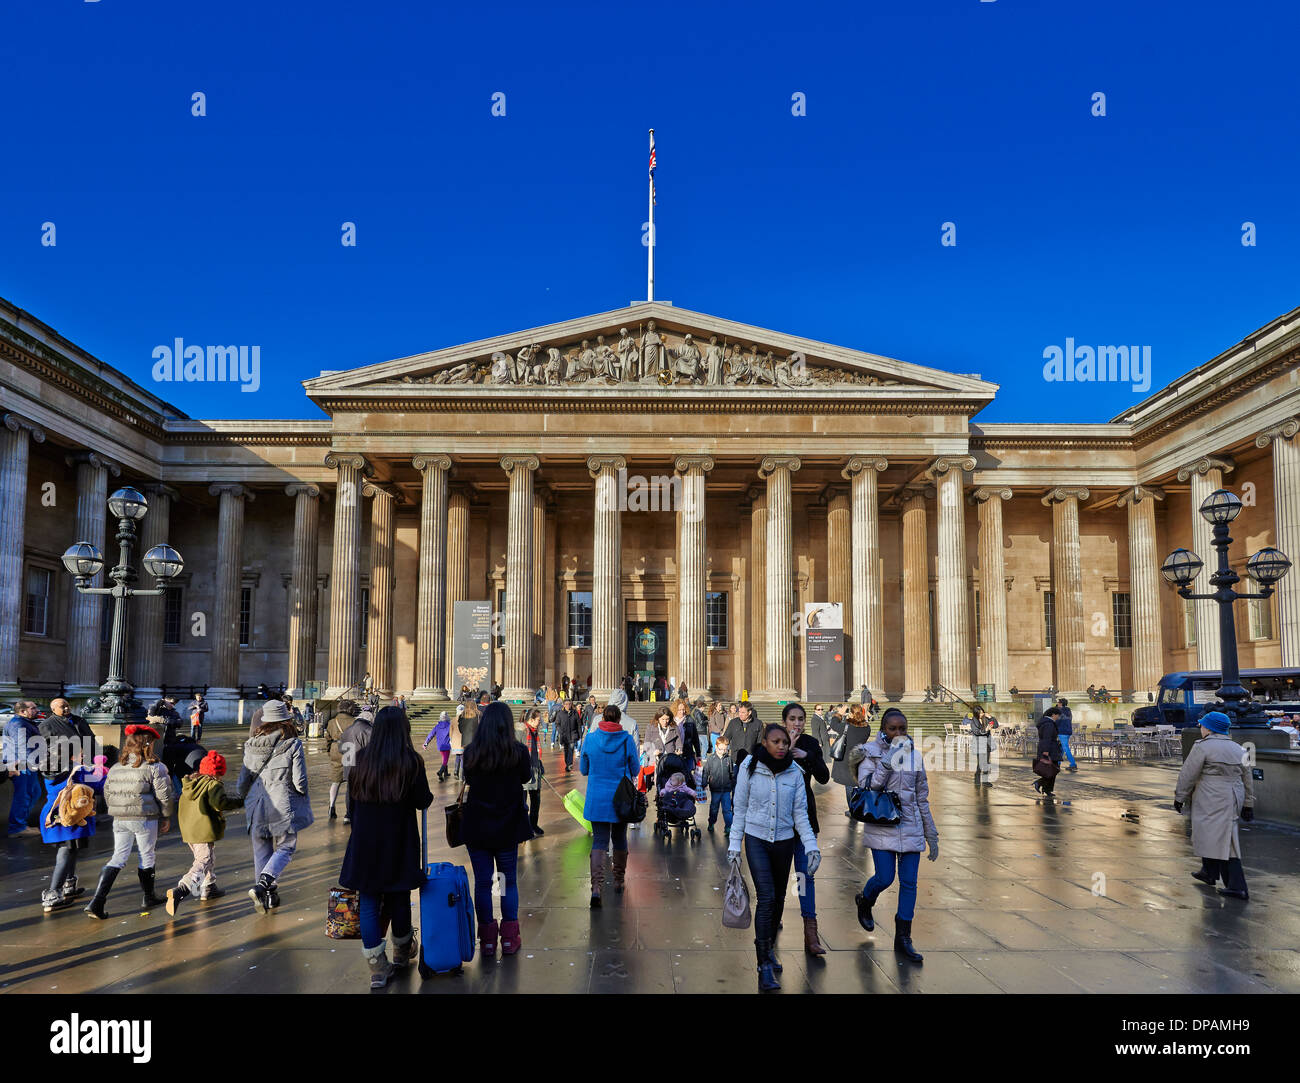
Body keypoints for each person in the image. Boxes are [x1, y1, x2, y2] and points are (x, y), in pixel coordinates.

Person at [339, 705, 433, 987]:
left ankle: (377, 967)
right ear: (404, 729)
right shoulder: (410, 761)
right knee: (399, 896)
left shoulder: (362, 759)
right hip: (398, 839)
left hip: (366, 839)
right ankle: (402, 951)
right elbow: (422, 800)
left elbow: (352, 798)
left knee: (368, 901)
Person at [727, 722, 820, 992]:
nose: (782, 746)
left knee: (779, 899)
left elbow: (800, 814)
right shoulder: (749, 767)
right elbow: (740, 808)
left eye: (784, 743)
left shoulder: (795, 771)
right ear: (765, 742)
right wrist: (735, 846)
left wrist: (811, 846)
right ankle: (763, 961)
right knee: (766, 897)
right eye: (776, 741)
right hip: (756, 840)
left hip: (784, 841)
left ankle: (767, 949)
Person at [850, 708, 938, 964]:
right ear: (884, 729)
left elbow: (922, 797)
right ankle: (865, 900)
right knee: (885, 877)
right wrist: (887, 761)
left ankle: (904, 939)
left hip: (910, 825)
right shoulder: (870, 753)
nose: (898, 733)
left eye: (903, 728)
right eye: (893, 728)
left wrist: (931, 833)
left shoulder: (915, 757)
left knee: (909, 883)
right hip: (882, 824)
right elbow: (869, 786)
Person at [462, 701, 533, 956]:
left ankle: (488, 940)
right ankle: (509, 938)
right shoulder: (518, 751)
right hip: (507, 826)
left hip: (478, 827)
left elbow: (468, 779)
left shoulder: (471, 752)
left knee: (482, 883)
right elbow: (526, 777)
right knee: (506, 880)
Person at [83, 724, 173, 918]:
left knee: (118, 857)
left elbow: (107, 792)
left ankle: (97, 901)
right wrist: (165, 816)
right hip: (144, 817)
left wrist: (117, 809)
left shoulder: (116, 767)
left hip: (119, 819)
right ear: (147, 744)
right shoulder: (155, 767)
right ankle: (149, 896)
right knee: (147, 855)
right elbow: (164, 796)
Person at [237, 699, 313, 914]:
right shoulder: (292, 744)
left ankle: (269, 896)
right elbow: (300, 781)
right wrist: (302, 795)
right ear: (285, 720)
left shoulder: (251, 745)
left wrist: (244, 799)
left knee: (261, 850)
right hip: (282, 803)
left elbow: (243, 781)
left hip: (256, 803)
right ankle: (263, 885)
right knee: (286, 847)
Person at [1175, 711, 1255, 900]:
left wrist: (1180, 797)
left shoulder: (1202, 747)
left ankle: (1236, 886)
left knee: (1223, 839)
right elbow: (1248, 777)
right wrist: (1248, 803)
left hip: (1211, 795)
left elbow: (1188, 774)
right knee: (1214, 833)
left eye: (1202, 725)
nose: (1200, 728)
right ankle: (1208, 871)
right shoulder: (1240, 749)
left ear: (1209, 728)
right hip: (1234, 794)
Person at [166, 750, 244, 915]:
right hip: (202, 829)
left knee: (207, 858)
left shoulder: (191, 784)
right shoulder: (213, 784)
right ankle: (183, 889)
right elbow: (219, 803)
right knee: (204, 859)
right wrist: (239, 801)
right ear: (218, 772)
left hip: (189, 830)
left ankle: (208, 887)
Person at [38, 697, 98, 910]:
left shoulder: (79, 722)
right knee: (66, 848)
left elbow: (92, 745)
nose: (67, 707)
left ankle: (68, 886)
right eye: (62, 705)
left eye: (67, 705)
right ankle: (52, 894)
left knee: (73, 846)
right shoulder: (58, 768)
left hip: (74, 810)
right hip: (65, 812)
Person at [580, 703, 640, 907]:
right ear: (618, 720)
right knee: (620, 838)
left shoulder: (590, 738)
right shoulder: (626, 740)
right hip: (619, 799)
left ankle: (596, 888)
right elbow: (635, 769)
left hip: (597, 798)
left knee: (599, 842)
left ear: (603, 719)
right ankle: (618, 880)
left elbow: (583, 769)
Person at [783, 703, 830, 956]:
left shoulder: (811, 744)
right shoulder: (775, 740)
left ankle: (810, 932)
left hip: (804, 817)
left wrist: (808, 756)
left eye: (801, 719)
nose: (797, 723)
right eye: (792, 719)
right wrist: (788, 748)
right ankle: (774, 916)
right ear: (785, 721)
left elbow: (823, 777)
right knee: (778, 876)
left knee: (804, 875)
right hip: (778, 819)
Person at [5, 700, 45, 838]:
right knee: (24, 794)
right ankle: (17, 827)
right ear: (23, 711)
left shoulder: (23, 723)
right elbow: (22, 747)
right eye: (33, 708)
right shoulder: (18, 724)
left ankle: (21, 824)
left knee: (34, 792)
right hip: (22, 764)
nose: (37, 710)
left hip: (25, 763)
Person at [338, 706, 376, 824]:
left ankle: (348, 814)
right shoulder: (368, 731)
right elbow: (373, 750)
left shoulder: (347, 731)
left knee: (350, 791)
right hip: (363, 766)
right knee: (364, 791)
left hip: (348, 765)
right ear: (370, 720)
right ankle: (362, 814)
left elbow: (341, 749)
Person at [832, 703, 872, 815]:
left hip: (846, 759)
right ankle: (859, 807)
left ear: (851, 713)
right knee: (858, 784)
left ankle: (852, 810)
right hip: (859, 758)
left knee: (849, 785)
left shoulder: (847, 726)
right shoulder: (867, 728)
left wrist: (839, 713)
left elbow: (833, 724)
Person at [324, 699, 358, 821]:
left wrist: (329, 750)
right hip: (349, 749)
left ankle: (331, 805)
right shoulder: (354, 721)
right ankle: (348, 814)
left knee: (335, 781)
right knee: (350, 781)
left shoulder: (332, 721)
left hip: (335, 748)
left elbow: (327, 738)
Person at [518, 708, 545, 838]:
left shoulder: (534, 731)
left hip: (535, 768)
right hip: (524, 770)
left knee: (536, 800)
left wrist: (540, 764)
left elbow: (535, 751)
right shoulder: (522, 731)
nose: (540, 722)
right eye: (538, 720)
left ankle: (533, 824)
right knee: (522, 802)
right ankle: (523, 828)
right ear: (531, 719)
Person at [703, 735, 734, 836]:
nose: (723, 751)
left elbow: (731, 773)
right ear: (716, 747)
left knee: (727, 810)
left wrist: (732, 784)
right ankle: (711, 822)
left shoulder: (728, 759)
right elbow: (706, 772)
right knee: (714, 808)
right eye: (721, 749)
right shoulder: (711, 759)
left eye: (725, 749)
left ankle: (728, 826)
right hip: (715, 789)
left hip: (726, 789)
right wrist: (704, 783)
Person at [722, 700, 761, 772]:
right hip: (735, 760)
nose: (740, 714)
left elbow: (760, 743)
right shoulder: (733, 723)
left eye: (743, 712)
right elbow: (725, 738)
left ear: (749, 712)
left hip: (751, 760)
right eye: (739, 711)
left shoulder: (758, 724)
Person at [1033, 707, 1063, 796]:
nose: (1058, 717)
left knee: (1050, 769)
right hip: (1050, 749)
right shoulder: (1049, 724)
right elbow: (1047, 737)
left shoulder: (1045, 722)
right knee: (1053, 769)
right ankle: (1041, 784)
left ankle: (1046, 789)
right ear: (1053, 714)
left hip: (1048, 747)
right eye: (1058, 715)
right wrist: (1046, 750)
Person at [423, 710, 453, 780]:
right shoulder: (449, 725)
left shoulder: (437, 726)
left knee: (444, 758)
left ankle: (446, 773)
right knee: (445, 760)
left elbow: (431, 735)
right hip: (447, 745)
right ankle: (440, 772)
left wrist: (426, 743)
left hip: (440, 745)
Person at [556, 698, 582, 772]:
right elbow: (557, 724)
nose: (568, 705)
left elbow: (579, 724)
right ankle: (567, 764)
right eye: (566, 704)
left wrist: (579, 734)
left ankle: (570, 764)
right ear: (563, 705)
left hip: (573, 734)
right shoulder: (560, 713)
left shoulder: (575, 713)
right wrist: (560, 731)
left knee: (571, 749)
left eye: (569, 704)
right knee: (566, 751)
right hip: (564, 736)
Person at [457, 698, 480, 780]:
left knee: (467, 760)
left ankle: (466, 778)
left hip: (465, 741)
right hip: (476, 741)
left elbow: (460, 730)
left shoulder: (462, 716)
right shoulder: (479, 715)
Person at [972, 709, 995, 785]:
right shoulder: (974, 721)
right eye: (980, 713)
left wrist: (991, 717)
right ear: (976, 713)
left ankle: (985, 781)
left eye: (982, 712)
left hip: (987, 743)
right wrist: (986, 729)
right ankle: (977, 778)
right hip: (979, 744)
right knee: (981, 763)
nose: (982, 714)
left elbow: (996, 725)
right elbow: (976, 732)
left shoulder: (985, 719)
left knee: (987, 763)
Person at [1056, 697, 1077, 772]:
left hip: (1062, 732)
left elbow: (1057, 721)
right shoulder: (1068, 711)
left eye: (1058, 703)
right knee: (1061, 748)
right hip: (1068, 731)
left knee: (1065, 748)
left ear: (1061, 704)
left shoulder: (1059, 711)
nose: (1057, 704)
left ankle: (1073, 764)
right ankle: (1057, 764)